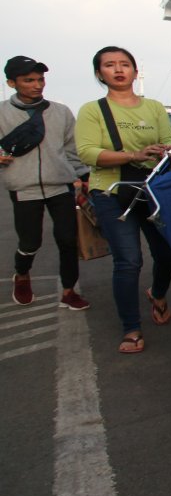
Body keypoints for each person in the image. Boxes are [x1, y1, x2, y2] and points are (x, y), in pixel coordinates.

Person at [75, 47, 171, 353]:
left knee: (169, 253)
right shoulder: (92, 110)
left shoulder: (155, 107)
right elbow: (87, 152)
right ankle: (131, 328)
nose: (118, 70)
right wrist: (133, 154)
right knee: (128, 261)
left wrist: (167, 151)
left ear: (135, 71)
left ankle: (157, 294)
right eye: (109, 65)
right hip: (110, 191)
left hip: (152, 190)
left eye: (125, 64)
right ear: (99, 74)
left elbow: (170, 143)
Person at [0, 55, 89, 310]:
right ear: (11, 83)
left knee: (68, 239)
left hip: (60, 185)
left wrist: (83, 176)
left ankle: (69, 291)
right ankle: (22, 274)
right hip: (23, 187)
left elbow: (73, 150)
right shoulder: (1, 112)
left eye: (40, 79)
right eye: (29, 80)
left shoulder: (60, 112)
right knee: (30, 242)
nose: (37, 85)